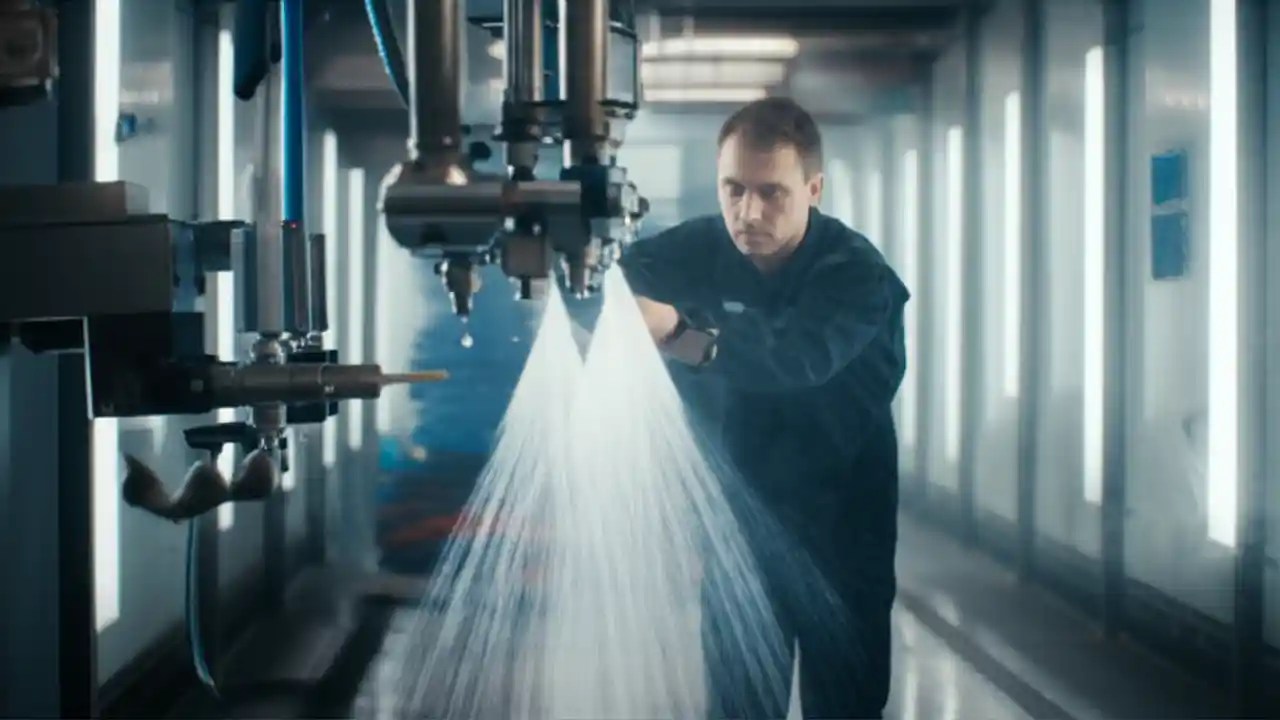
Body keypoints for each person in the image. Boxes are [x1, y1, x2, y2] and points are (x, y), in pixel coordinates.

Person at [618, 96, 909, 719]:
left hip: (841, 530)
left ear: (814, 187)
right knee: (739, 704)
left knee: (844, 704)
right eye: (733, 189)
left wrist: (676, 335)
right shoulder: (705, 246)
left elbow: (793, 361)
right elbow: (612, 276)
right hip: (740, 524)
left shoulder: (858, 278)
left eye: (772, 192)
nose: (748, 212)